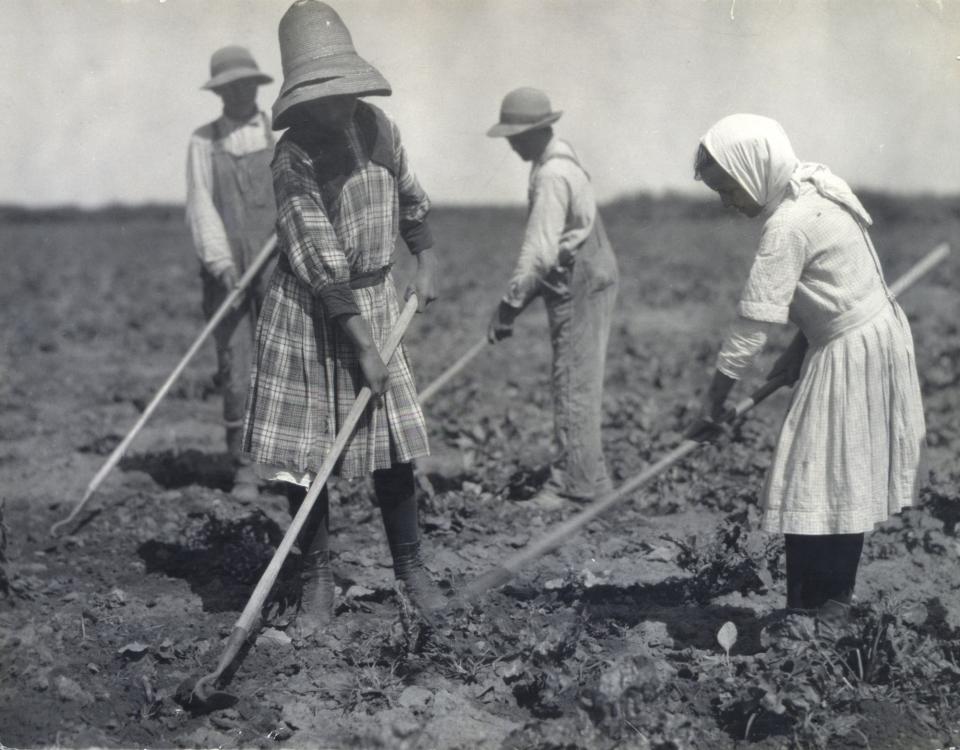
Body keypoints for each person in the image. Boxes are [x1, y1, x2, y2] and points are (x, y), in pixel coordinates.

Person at [242, 0, 444, 635]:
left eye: (343, 92)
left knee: (393, 445)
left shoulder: (380, 127)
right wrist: (362, 345)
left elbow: (411, 198)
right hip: (312, 311)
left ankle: (411, 570)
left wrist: (425, 261)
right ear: (301, 97)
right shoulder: (293, 155)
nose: (337, 107)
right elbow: (319, 259)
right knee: (309, 457)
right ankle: (318, 581)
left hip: (377, 300)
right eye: (323, 97)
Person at [687, 114, 925, 614]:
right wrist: (800, 346)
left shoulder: (788, 225)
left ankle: (816, 612)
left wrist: (713, 405)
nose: (727, 203)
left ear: (753, 171)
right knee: (833, 477)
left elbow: (751, 327)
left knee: (817, 479)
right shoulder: (816, 191)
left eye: (728, 189)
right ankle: (823, 607)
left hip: (852, 349)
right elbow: (835, 287)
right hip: (862, 336)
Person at [486, 88, 619, 509]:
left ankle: (573, 487)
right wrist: (519, 301)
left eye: (515, 136)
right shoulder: (559, 159)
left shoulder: (551, 175)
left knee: (572, 379)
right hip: (585, 270)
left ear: (537, 131)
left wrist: (508, 307)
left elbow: (539, 253)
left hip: (580, 277)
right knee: (580, 376)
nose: (511, 144)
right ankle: (592, 477)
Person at [186, 45, 277, 502]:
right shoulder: (204, 141)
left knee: (284, 362)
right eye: (231, 87)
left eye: (247, 84)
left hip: (278, 263)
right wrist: (222, 266)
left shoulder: (278, 132)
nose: (241, 93)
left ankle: (285, 462)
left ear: (256, 87)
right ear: (219, 92)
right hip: (227, 272)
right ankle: (244, 468)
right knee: (237, 367)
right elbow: (201, 208)